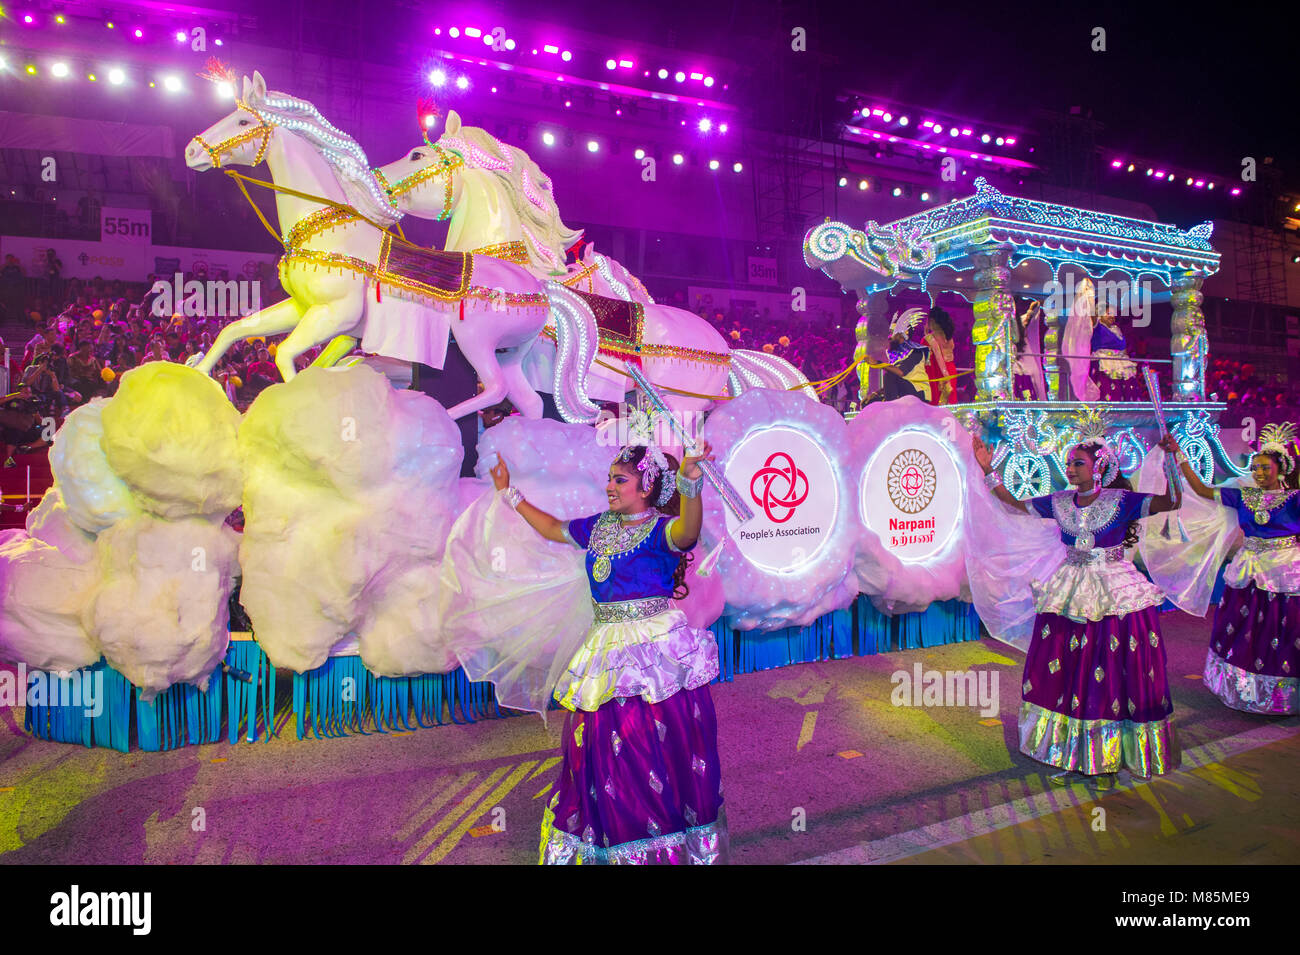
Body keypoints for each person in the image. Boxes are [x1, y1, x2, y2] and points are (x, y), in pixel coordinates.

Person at [490, 439, 727, 864]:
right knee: (600, 753)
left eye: (620, 480)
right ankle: (611, 844)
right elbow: (553, 528)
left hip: (654, 657)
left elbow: (688, 532)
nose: (610, 487)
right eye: (609, 479)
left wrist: (691, 485)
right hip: (605, 651)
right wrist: (510, 493)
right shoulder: (600, 526)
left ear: (647, 487)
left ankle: (658, 849)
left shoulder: (660, 530)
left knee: (651, 752)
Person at [973, 411, 1182, 787]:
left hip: (1114, 593)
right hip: (1069, 589)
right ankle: (1069, 748)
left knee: (1110, 671)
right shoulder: (1060, 501)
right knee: (1068, 667)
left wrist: (1172, 459)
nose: (1069, 468)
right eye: (1068, 462)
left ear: (1099, 465)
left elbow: (1173, 502)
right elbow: (1015, 505)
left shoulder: (1123, 499)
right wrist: (989, 473)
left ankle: (1114, 748)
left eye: (1078, 463)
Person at [1164, 424, 1299, 714]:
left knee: (1285, 631)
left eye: (1266, 468)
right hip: (1249, 571)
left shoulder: (1296, 499)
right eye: (1256, 468)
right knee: (1246, 630)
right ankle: (1247, 690)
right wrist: (1180, 457)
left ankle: (1285, 695)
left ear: (1281, 469)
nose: (1259, 473)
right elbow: (1201, 490)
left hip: (1286, 571)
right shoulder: (1242, 496)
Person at [922, 306, 958, 405]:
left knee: (940, 400)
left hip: (940, 372)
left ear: (932, 321)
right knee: (950, 399)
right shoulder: (948, 336)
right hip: (951, 369)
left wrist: (926, 335)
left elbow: (929, 358)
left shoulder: (930, 338)